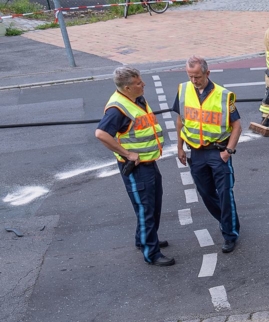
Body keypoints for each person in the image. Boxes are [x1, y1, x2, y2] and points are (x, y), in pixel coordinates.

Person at [94, 66, 173, 266]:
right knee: (146, 207)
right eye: (138, 83)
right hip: (136, 167)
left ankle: (145, 239)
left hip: (148, 162)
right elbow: (101, 134)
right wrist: (128, 154)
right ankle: (151, 253)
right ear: (127, 88)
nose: (143, 84)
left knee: (152, 204)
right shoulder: (117, 109)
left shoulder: (135, 99)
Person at [172, 56, 243, 253]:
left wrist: (228, 151)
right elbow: (180, 121)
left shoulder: (223, 95)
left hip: (218, 152)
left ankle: (229, 234)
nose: (194, 81)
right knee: (205, 193)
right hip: (196, 152)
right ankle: (228, 220)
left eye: (197, 77)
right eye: (190, 76)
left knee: (225, 195)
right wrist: (180, 148)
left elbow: (237, 125)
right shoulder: (183, 90)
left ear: (207, 73)